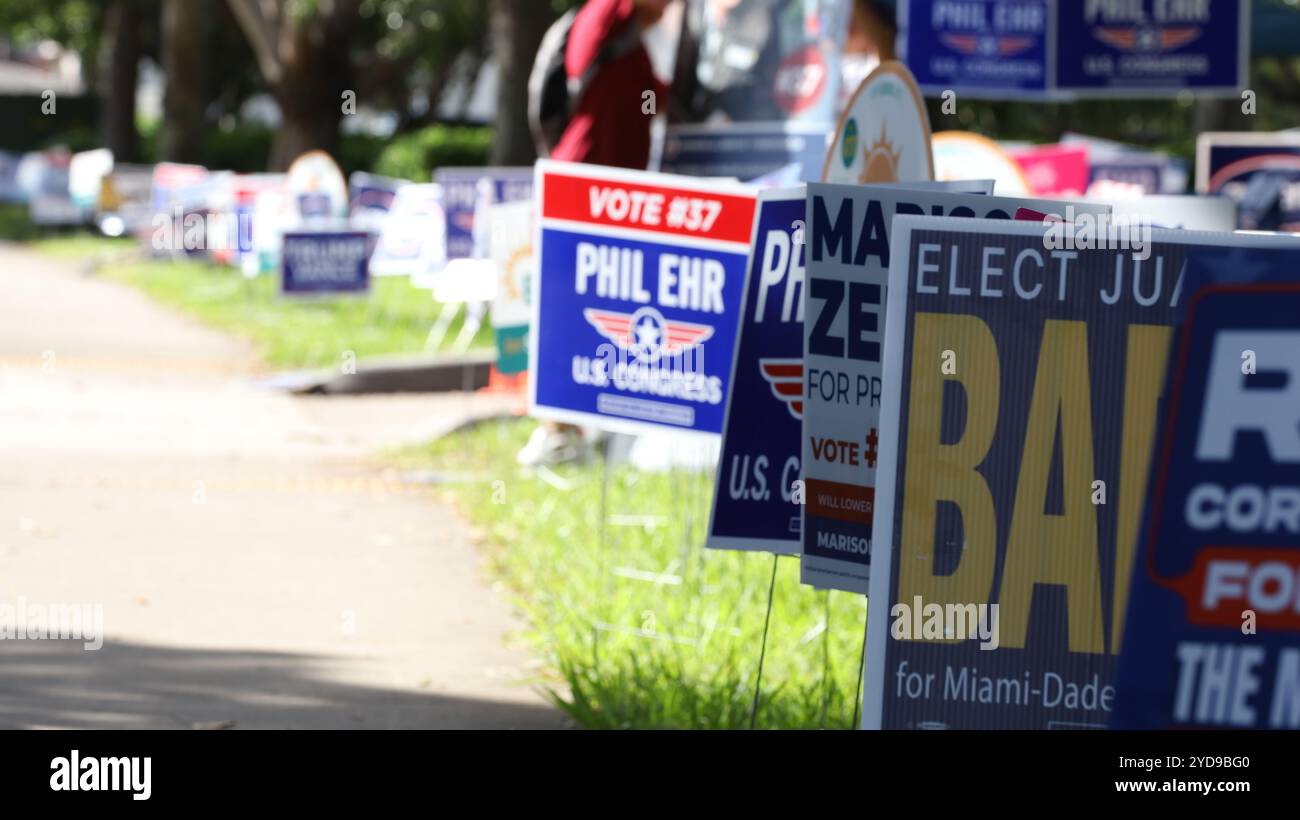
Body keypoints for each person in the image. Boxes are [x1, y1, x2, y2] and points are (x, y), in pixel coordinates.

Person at [520, 0, 671, 468]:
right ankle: (556, 432)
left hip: (604, 195)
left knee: (599, 308)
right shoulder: (611, 12)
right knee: (569, 308)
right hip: (584, 192)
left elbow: (651, 98)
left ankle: (583, 425)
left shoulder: (627, 34)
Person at [549, 0, 672, 169]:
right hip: (587, 167)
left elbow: (649, 102)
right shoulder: (605, 14)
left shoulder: (635, 52)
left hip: (620, 173)